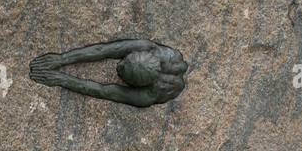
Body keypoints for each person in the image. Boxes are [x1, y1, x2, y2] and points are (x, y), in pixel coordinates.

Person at [28, 39, 187, 107]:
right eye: (125, 60)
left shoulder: (148, 96)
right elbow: (103, 50)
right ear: (134, 54)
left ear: (135, 85)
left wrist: (61, 79)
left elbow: (103, 91)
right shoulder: (148, 48)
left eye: (122, 72)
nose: (118, 65)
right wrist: (61, 59)